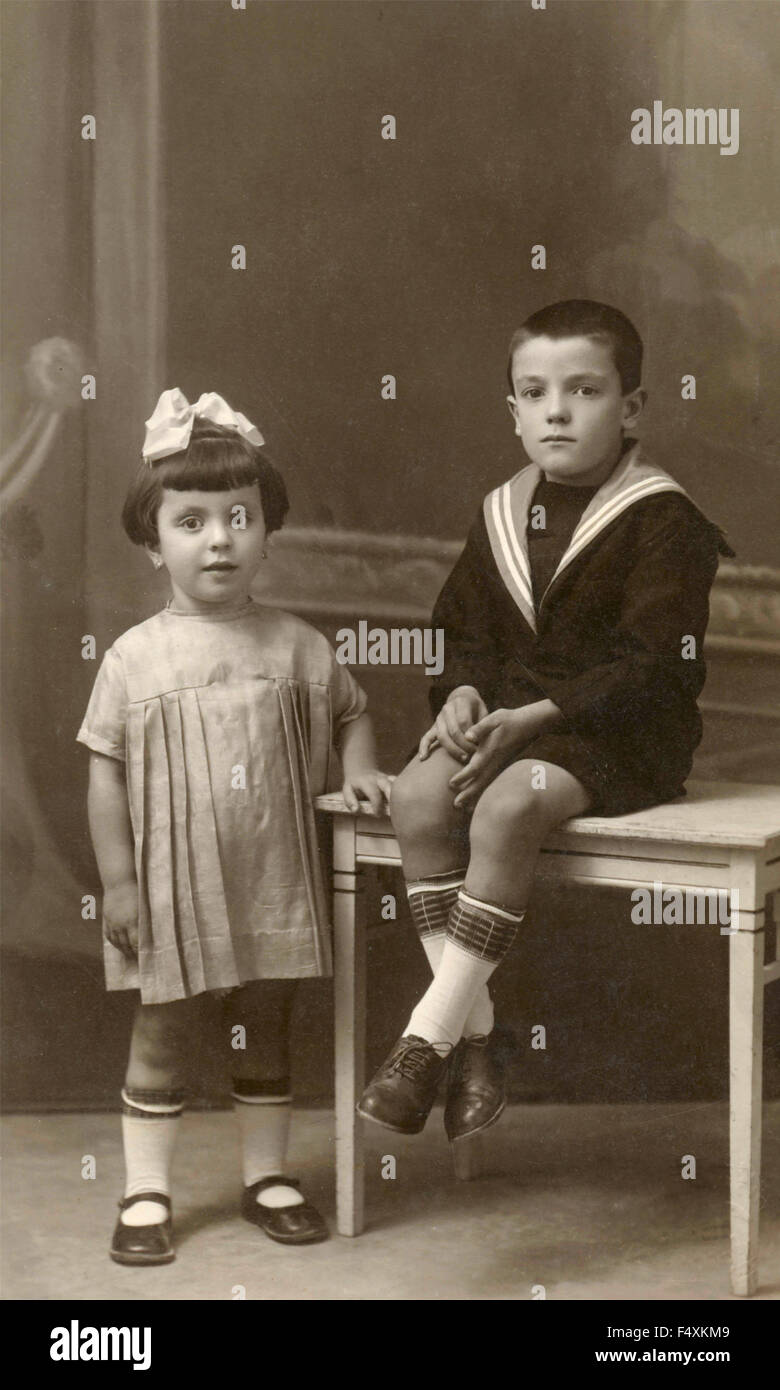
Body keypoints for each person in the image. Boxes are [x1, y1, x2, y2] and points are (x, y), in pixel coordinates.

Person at [357, 299, 734, 1144]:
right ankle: (480, 1039)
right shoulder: (502, 509)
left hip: (620, 732)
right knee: (417, 797)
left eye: (584, 390)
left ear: (631, 407)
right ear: (515, 411)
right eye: (535, 392)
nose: (557, 409)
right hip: (512, 723)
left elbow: (655, 664)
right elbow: (463, 634)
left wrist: (533, 716)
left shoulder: (664, 520)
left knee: (505, 806)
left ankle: (425, 1041)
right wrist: (459, 695)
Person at [77, 388, 392, 1264]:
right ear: (153, 544)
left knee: (268, 1020)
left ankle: (267, 1176)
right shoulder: (136, 657)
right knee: (164, 1027)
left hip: (273, 875)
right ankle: (146, 1192)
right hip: (177, 881)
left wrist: (361, 770)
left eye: (239, 518)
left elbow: (354, 712)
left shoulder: (299, 645)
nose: (219, 539)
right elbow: (103, 770)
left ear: (266, 531)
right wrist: (122, 881)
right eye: (192, 522)